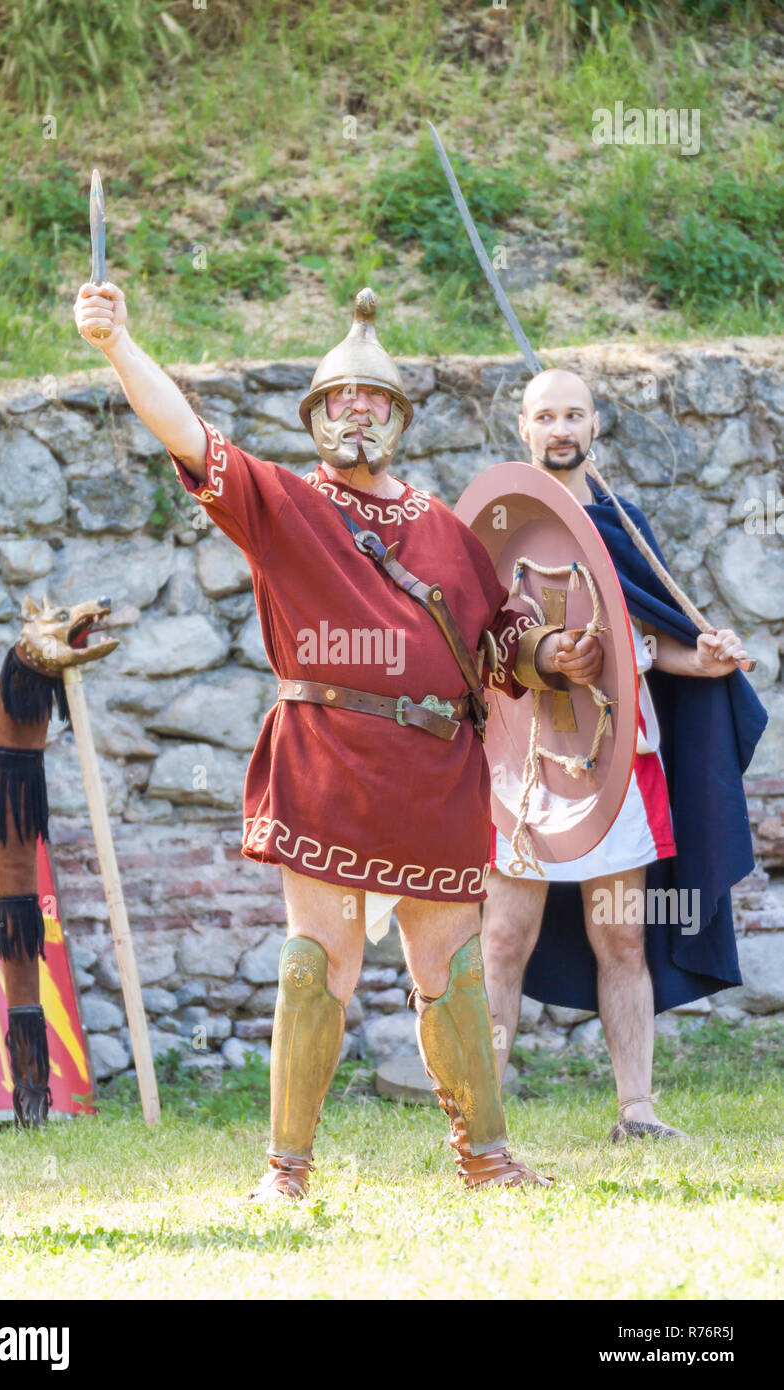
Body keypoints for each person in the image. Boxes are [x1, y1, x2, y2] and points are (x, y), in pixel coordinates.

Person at [74, 282, 603, 1195]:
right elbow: (187, 435)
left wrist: (560, 650)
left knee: (454, 965)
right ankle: (287, 1171)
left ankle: (486, 1158)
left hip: (436, 767)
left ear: (398, 419)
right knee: (320, 959)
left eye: (373, 401)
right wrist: (120, 344)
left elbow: (499, 637)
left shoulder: (442, 526)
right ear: (316, 415)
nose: (355, 413)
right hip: (325, 755)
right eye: (337, 402)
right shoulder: (280, 503)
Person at [482, 368, 767, 1141]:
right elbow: (471, 649)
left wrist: (702, 660)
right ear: (523, 428)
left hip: (617, 762)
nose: (561, 428)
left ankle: (635, 1112)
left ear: (596, 426)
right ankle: (481, 1123)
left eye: (574, 414)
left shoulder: (624, 524)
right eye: (546, 416)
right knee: (503, 939)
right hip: (525, 767)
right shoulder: (497, 527)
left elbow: (653, 643)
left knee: (621, 935)